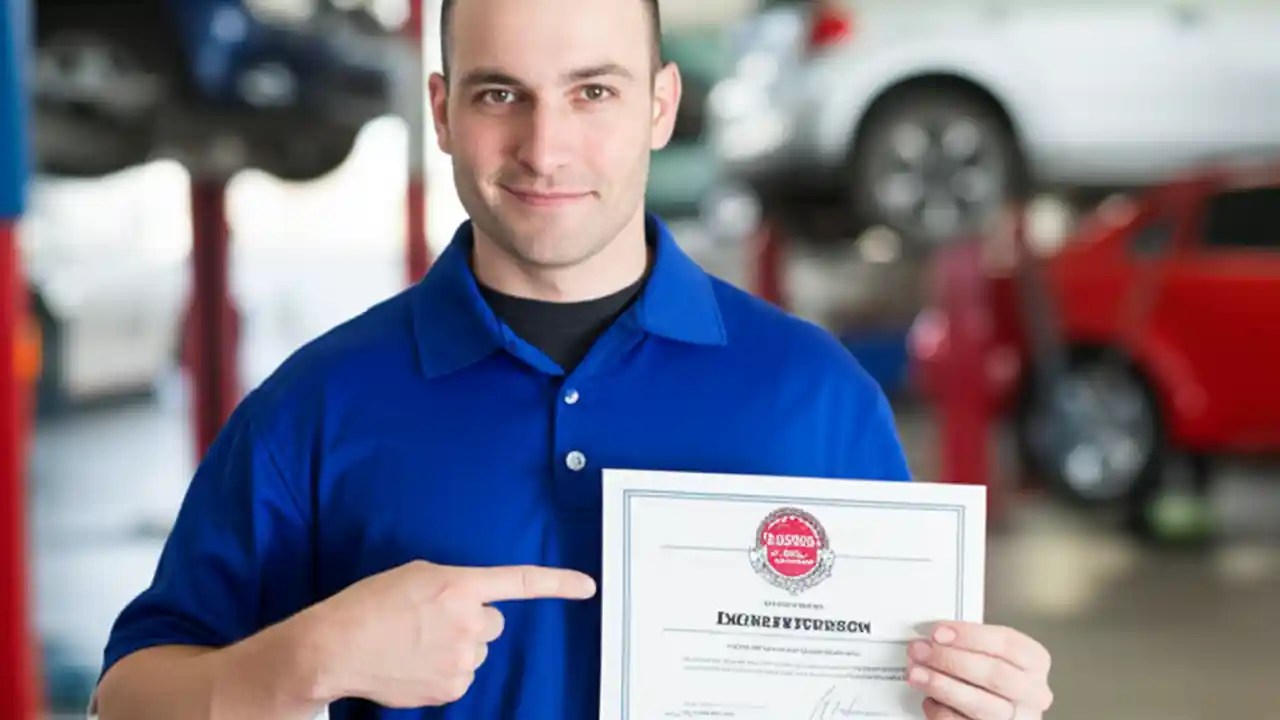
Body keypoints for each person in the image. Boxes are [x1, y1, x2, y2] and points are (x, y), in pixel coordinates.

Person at [94, 0, 1055, 717]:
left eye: (592, 91)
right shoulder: (314, 407)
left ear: (661, 105)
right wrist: (302, 664)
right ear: (440, 110)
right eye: (499, 93)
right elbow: (126, 696)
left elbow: (891, 687)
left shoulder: (815, 397)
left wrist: (973, 697)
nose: (545, 148)